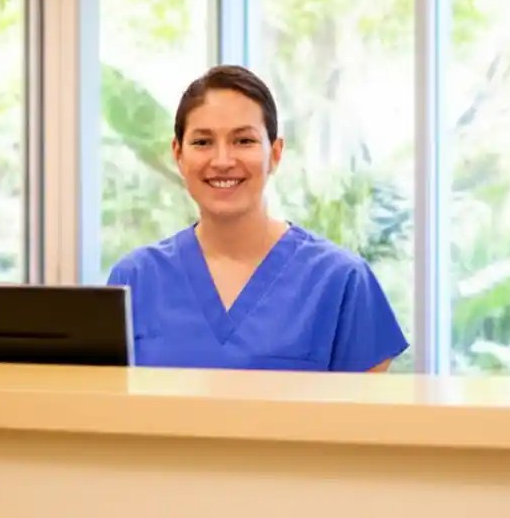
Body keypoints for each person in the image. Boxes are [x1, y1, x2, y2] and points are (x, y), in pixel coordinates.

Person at [106, 65, 409, 372]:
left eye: (244, 141)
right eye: (202, 142)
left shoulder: (341, 280)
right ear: (178, 154)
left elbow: (365, 417)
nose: (222, 161)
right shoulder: (134, 280)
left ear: (275, 154)